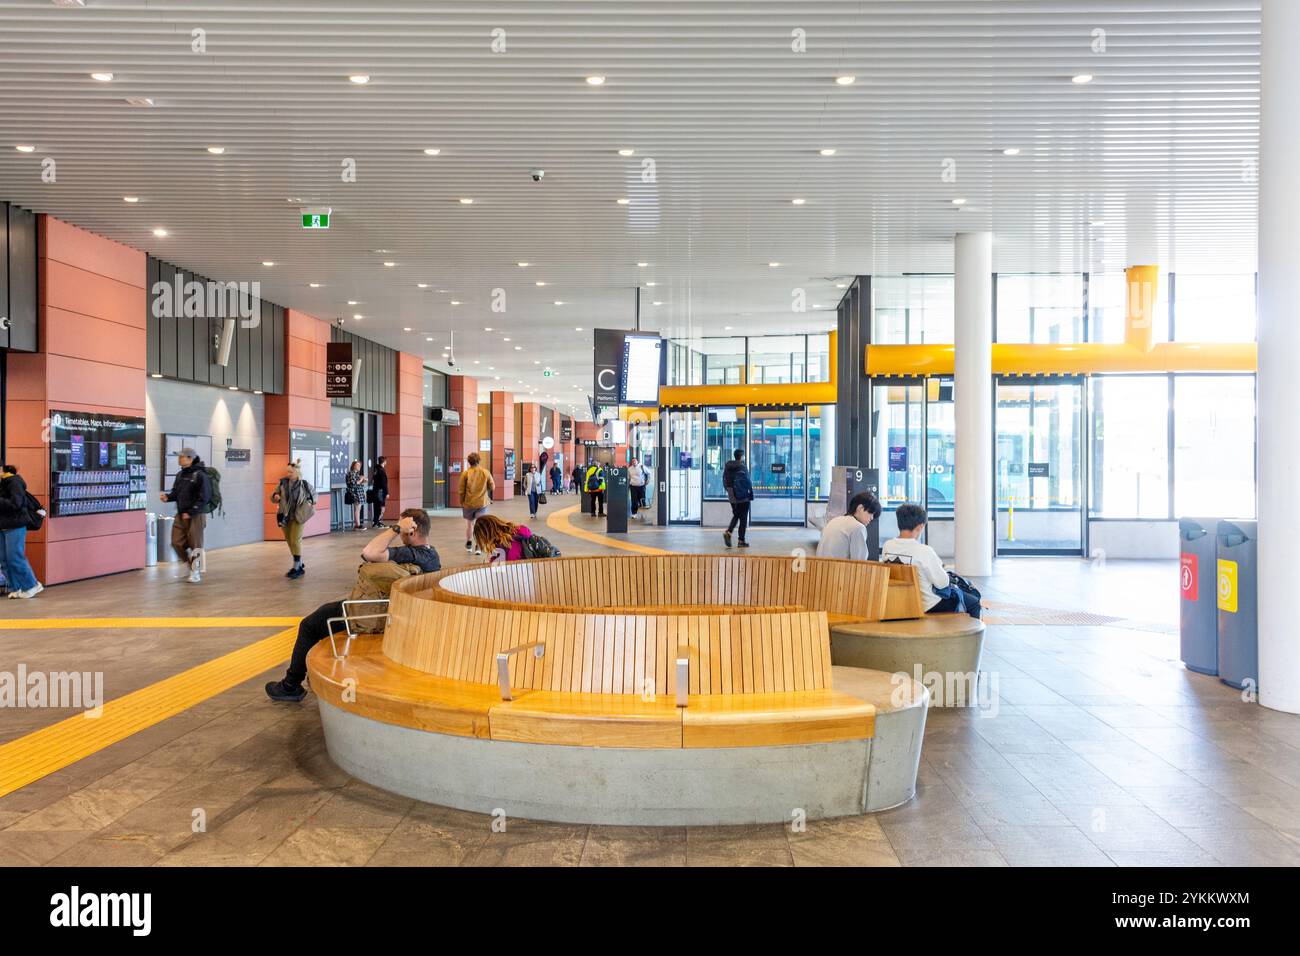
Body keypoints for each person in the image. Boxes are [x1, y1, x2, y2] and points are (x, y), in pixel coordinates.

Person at [265, 508, 441, 703]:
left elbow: (369, 552)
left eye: (402, 529)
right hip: (395, 612)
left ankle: (291, 685)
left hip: (370, 616)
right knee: (324, 614)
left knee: (310, 625)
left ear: (412, 530)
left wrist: (396, 528)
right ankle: (306, 677)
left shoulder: (409, 554)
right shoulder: (432, 556)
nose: (398, 533)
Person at [883, 503, 981, 619]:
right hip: (928, 604)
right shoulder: (924, 551)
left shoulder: (888, 546)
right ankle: (968, 636)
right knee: (974, 602)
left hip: (902, 599)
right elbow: (942, 583)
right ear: (920, 527)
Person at [160, 447, 211, 584]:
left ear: (190, 459)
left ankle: (196, 571)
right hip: (181, 514)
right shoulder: (180, 475)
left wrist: (192, 511)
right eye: (179, 457)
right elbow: (176, 492)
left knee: (196, 545)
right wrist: (168, 497)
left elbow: (205, 497)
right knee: (176, 542)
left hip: (196, 515)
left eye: (182, 457)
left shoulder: (200, 475)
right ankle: (190, 566)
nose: (179, 459)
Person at [0, 464, 43, 599]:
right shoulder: (2, 483)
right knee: (4, 560)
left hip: (15, 524)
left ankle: (32, 585)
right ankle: (16, 587)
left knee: (15, 557)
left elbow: (16, 503)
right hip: (2, 525)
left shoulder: (14, 482)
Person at [270, 461, 315, 579]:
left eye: (291, 471)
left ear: (297, 472)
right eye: (288, 471)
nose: (288, 474)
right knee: (289, 540)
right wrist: (275, 496)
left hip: (298, 516)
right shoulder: (282, 483)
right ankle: (299, 564)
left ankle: (296, 567)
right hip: (285, 515)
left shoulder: (304, 485)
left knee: (295, 540)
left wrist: (309, 503)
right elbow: (274, 496)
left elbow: (314, 496)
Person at [817, 491, 882, 560]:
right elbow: (859, 562)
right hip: (838, 569)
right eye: (870, 513)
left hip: (820, 567)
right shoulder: (858, 527)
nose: (871, 518)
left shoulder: (834, 521)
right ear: (860, 508)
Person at [457, 451, 494, 553]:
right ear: (479, 461)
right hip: (482, 503)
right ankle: (478, 546)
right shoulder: (485, 472)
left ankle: (469, 544)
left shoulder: (465, 474)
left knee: (470, 524)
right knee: (480, 524)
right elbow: (492, 486)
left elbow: (461, 490)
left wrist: (462, 502)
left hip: (468, 504)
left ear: (469, 462)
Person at [721, 448, 753, 548]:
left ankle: (729, 532)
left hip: (732, 495)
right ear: (741, 456)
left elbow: (724, 480)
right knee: (743, 518)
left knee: (737, 514)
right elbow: (747, 481)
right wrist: (750, 493)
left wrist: (730, 491)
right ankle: (741, 541)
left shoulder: (728, 466)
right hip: (743, 496)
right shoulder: (742, 467)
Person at [344, 459, 367, 530]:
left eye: (360, 465)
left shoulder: (356, 473)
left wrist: (363, 481)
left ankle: (357, 524)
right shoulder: (351, 473)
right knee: (357, 508)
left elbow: (358, 484)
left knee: (358, 508)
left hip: (358, 493)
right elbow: (353, 484)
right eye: (357, 465)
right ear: (353, 466)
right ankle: (357, 525)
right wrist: (361, 479)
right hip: (355, 493)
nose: (359, 466)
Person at [369, 456, 389, 528]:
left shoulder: (376, 470)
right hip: (380, 491)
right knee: (381, 507)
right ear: (384, 462)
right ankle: (378, 522)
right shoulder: (382, 471)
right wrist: (386, 492)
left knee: (376, 506)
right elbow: (384, 483)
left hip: (376, 490)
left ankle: (376, 522)